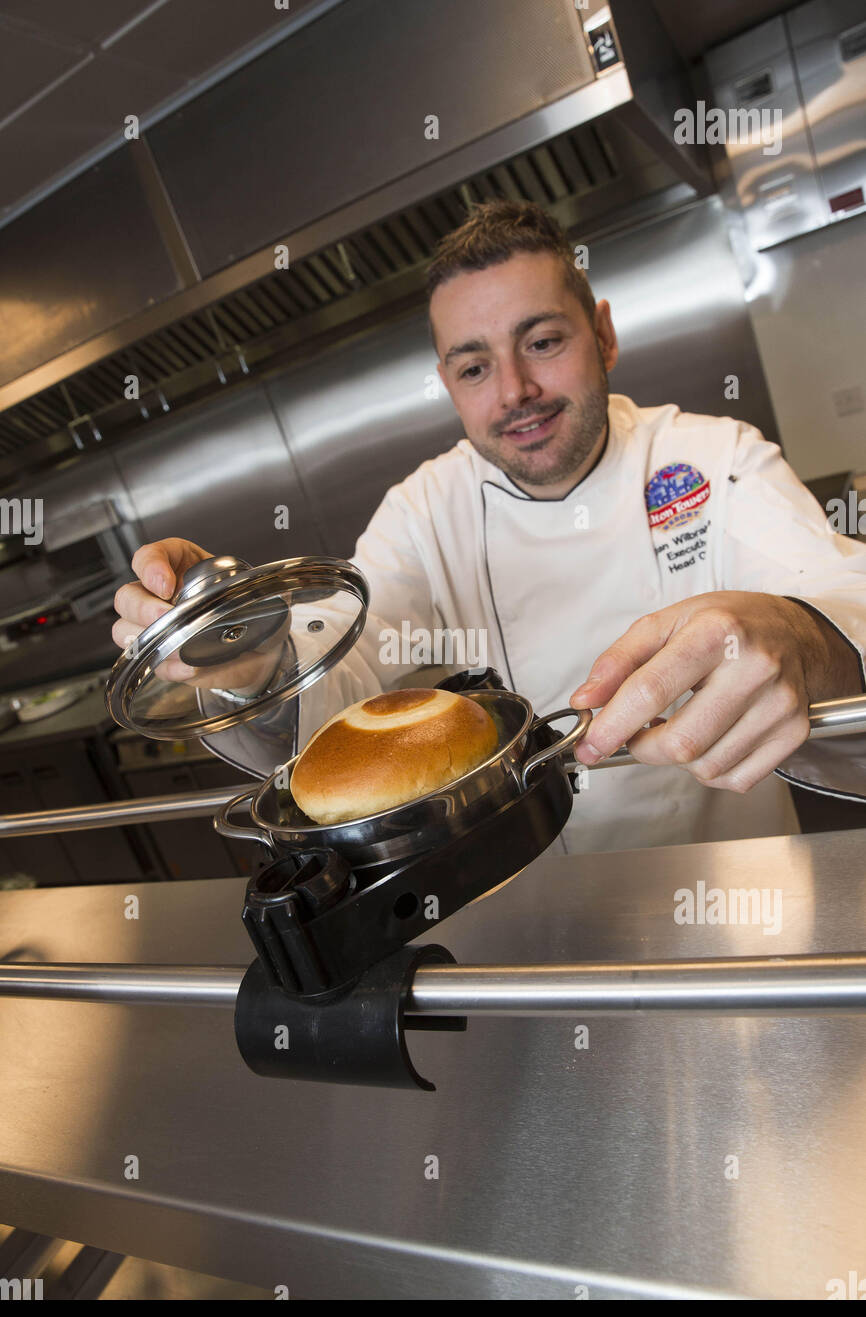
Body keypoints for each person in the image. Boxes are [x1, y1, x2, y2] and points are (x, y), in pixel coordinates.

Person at [112, 200, 866, 853]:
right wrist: (251, 659)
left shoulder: (712, 457)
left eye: (542, 342)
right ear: (448, 385)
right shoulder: (423, 512)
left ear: (602, 336)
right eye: (474, 368)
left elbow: (839, 599)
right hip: (523, 919)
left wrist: (796, 636)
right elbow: (340, 689)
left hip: (730, 899)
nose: (516, 391)